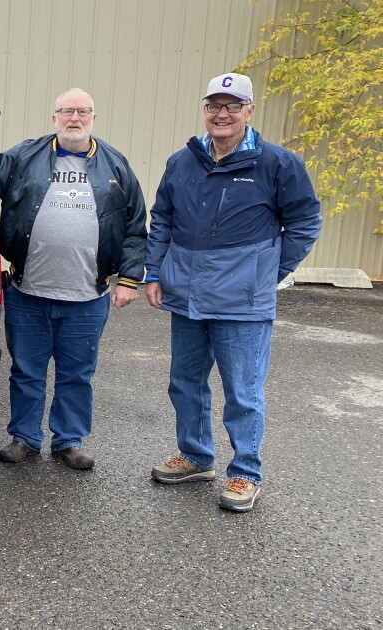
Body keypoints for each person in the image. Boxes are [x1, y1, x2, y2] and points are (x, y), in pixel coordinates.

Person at [0, 88, 147, 470]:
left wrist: (130, 278)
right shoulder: (27, 156)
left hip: (87, 298)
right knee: (27, 372)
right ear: (55, 117)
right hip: (28, 293)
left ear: (94, 117)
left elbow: (135, 224)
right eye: (67, 111)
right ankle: (25, 437)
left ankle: (69, 441)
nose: (74, 118)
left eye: (82, 111)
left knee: (77, 375)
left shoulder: (116, 165)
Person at [145, 73, 321, 512]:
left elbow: (304, 222)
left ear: (249, 110)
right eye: (214, 105)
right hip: (187, 296)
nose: (222, 114)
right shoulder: (182, 162)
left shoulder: (278, 163)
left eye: (232, 105)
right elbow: (162, 218)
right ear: (205, 110)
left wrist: (269, 271)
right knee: (185, 383)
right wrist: (155, 272)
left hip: (242, 302)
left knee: (242, 392)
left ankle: (245, 472)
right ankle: (195, 456)